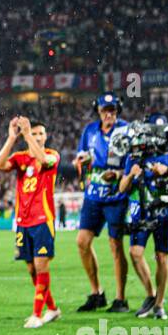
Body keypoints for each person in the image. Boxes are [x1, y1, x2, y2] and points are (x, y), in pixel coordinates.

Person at [0, 116, 61, 327]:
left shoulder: (52, 155)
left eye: (41, 133)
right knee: (32, 269)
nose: (38, 137)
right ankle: (52, 308)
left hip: (44, 219)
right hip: (23, 221)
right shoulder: (21, 158)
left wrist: (27, 134)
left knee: (41, 266)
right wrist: (12, 138)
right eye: (34, 133)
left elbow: (44, 161)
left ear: (46, 136)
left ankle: (36, 314)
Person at [118, 113, 168, 320]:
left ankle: (159, 304)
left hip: (166, 209)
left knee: (162, 256)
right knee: (135, 252)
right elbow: (122, 188)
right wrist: (131, 175)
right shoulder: (136, 153)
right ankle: (150, 294)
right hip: (142, 209)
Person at [73, 93, 130, 313]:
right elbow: (82, 157)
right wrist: (83, 161)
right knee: (82, 242)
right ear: (98, 110)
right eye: (106, 110)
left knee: (115, 246)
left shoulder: (126, 130)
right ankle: (97, 293)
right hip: (93, 196)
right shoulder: (89, 130)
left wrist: (117, 174)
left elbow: (135, 162)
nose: (109, 114)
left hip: (116, 197)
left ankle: (120, 299)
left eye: (113, 110)